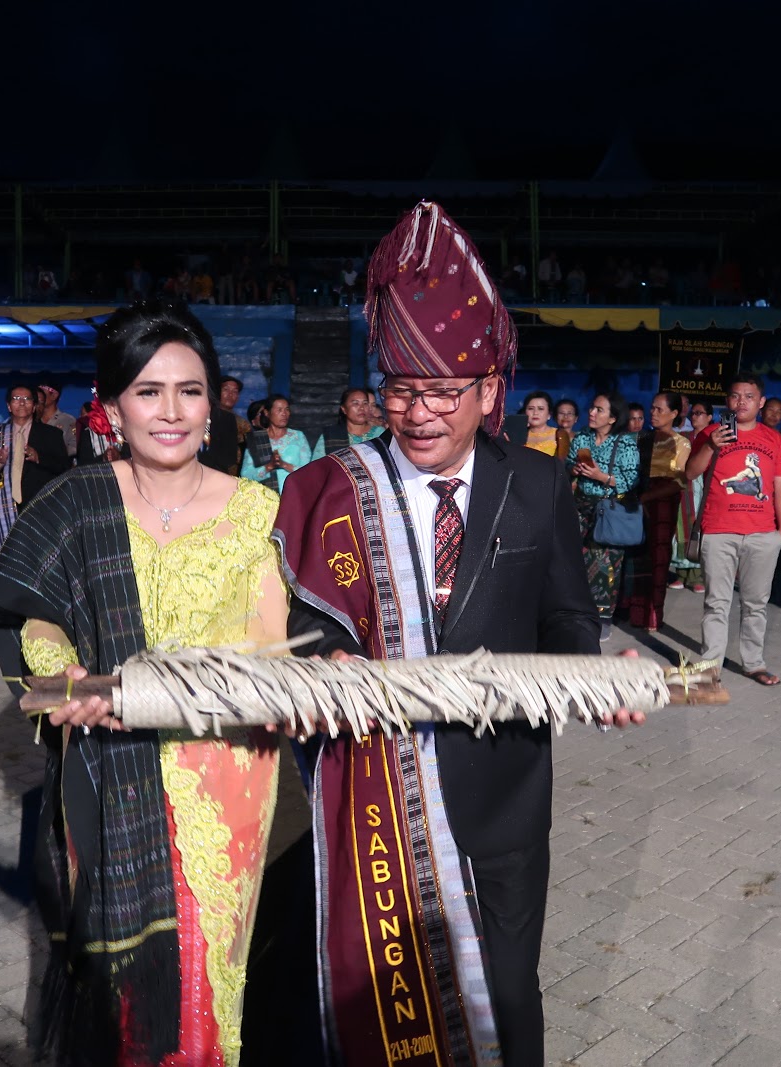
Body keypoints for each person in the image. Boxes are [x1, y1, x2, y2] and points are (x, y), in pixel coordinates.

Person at [274, 202, 639, 1067]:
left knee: (506, 991)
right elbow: (299, 621)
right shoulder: (331, 488)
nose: (420, 412)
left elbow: (566, 614)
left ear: (488, 392)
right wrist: (324, 660)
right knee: (375, 999)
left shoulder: (539, 484)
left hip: (503, 789)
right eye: (402, 390)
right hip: (371, 795)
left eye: (442, 392)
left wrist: (591, 674)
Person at [0, 301, 285, 1064]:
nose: (171, 411)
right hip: (110, 768)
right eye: (148, 391)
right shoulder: (73, 504)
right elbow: (28, 623)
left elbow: (277, 650)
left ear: (215, 401)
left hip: (226, 776)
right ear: (112, 406)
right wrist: (64, 678)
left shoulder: (259, 512)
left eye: (190, 389)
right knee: (118, 983)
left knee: (207, 983)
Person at [684, 376, 781, 686]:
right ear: (727, 402)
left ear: (760, 402)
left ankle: (754, 663)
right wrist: (710, 445)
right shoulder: (709, 433)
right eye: (735, 396)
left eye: (749, 396)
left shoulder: (773, 439)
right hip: (718, 531)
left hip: (762, 533)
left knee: (756, 603)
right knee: (717, 602)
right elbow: (690, 473)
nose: (741, 401)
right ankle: (710, 666)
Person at [567, 392, 641, 639]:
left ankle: (602, 618)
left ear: (612, 418)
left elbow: (630, 481)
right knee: (576, 563)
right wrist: (575, 469)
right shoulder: (583, 438)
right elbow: (568, 463)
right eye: (592, 407)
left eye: (599, 410)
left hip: (608, 511)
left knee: (605, 567)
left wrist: (602, 477)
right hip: (581, 509)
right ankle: (578, 614)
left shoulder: (625, 443)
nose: (592, 412)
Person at [618, 392, 691, 632]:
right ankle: (628, 609)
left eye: (660, 410)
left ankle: (651, 615)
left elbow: (679, 481)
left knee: (658, 560)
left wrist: (646, 497)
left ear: (674, 413)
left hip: (662, 503)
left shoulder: (681, 443)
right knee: (634, 557)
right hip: (637, 497)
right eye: (652, 408)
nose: (653, 413)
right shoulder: (641, 438)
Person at [0, 384, 72, 554]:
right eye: (16, 399)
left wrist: (39, 458)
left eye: (27, 399)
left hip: (39, 507)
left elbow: (64, 468)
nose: (21, 403)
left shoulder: (50, 434)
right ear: (8, 406)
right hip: (4, 510)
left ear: (34, 405)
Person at [670, 400, 714, 592]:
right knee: (681, 527)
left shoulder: (715, 438)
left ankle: (698, 576)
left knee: (701, 528)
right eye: (693, 413)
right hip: (685, 487)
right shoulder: (682, 437)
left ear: (710, 417)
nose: (694, 416)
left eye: (699, 413)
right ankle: (681, 573)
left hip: (706, 488)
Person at [240, 395, 310, 491]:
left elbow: (308, 472)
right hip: (265, 498)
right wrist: (269, 466)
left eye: (287, 409)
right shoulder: (256, 439)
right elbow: (245, 475)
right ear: (267, 413)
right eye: (279, 410)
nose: (284, 414)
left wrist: (284, 465)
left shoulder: (298, 436)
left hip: (295, 495)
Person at [312, 386, 385, 457]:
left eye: (365, 403)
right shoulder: (330, 436)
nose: (362, 408)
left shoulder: (379, 433)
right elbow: (316, 467)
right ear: (344, 409)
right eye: (356, 403)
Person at [517, 389, 569, 459]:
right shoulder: (518, 435)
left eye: (540, 409)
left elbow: (562, 464)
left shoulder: (560, 435)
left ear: (549, 414)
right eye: (531, 408)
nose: (535, 413)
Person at [35, 380, 79, 460]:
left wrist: (55, 453)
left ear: (54, 395)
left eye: (42, 391)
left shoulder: (68, 420)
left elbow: (74, 446)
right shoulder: (33, 420)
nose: (38, 396)